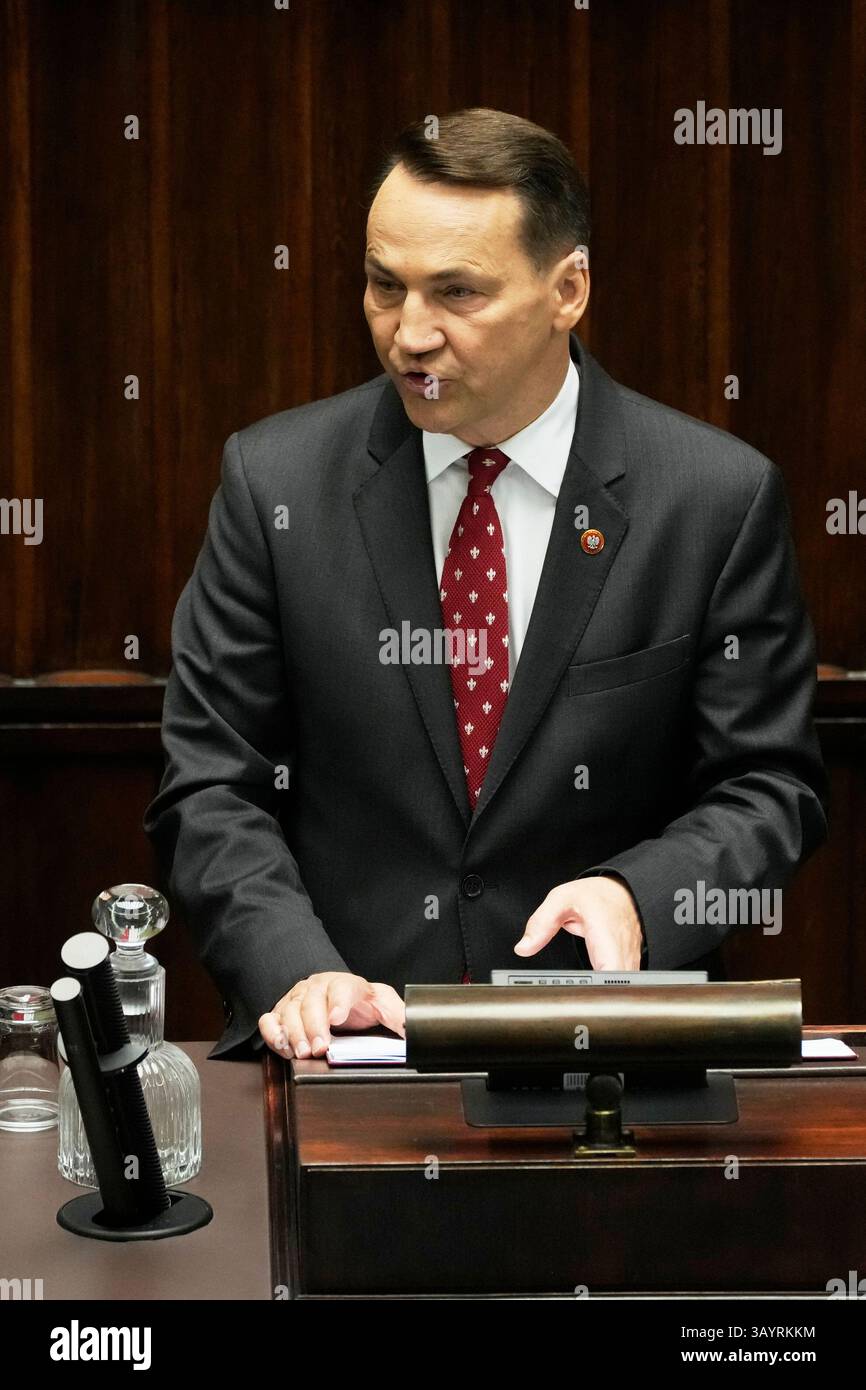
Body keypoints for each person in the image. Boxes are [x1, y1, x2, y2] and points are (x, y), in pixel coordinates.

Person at [144, 107, 828, 1064]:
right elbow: (212, 784)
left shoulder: (713, 499)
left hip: (611, 1057)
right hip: (344, 1055)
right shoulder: (277, 485)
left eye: (456, 293)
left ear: (569, 290)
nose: (409, 334)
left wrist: (641, 894)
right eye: (386, 286)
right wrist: (297, 969)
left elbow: (769, 784)